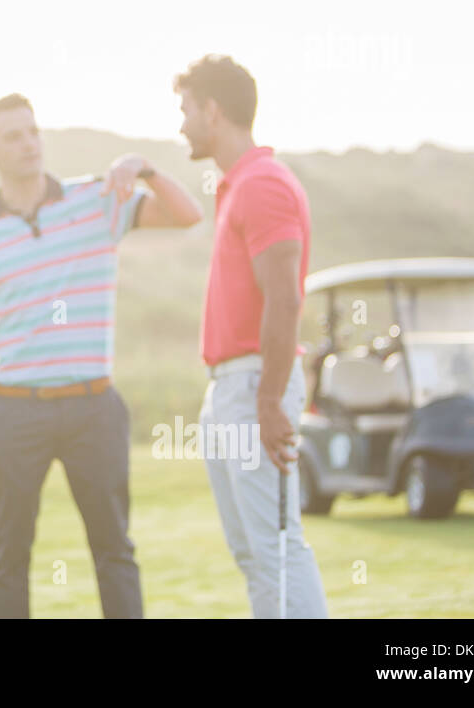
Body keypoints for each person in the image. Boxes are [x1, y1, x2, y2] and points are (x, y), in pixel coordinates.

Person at [0, 94, 203, 618]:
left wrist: (147, 168)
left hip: (94, 406)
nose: (29, 144)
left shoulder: (96, 199)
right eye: (14, 136)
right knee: (10, 556)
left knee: (115, 551)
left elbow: (188, 214)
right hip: (16, 410)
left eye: (33, 131)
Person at [173, 53, 329, 618]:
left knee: (277, 549)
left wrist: (267, 400)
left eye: (186, 109)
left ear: (213, 111)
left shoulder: (263, 184)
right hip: (230, 389)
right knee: (253, 554)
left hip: (254, 387)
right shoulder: (237, 186)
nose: (182, 123)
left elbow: (285, 299)